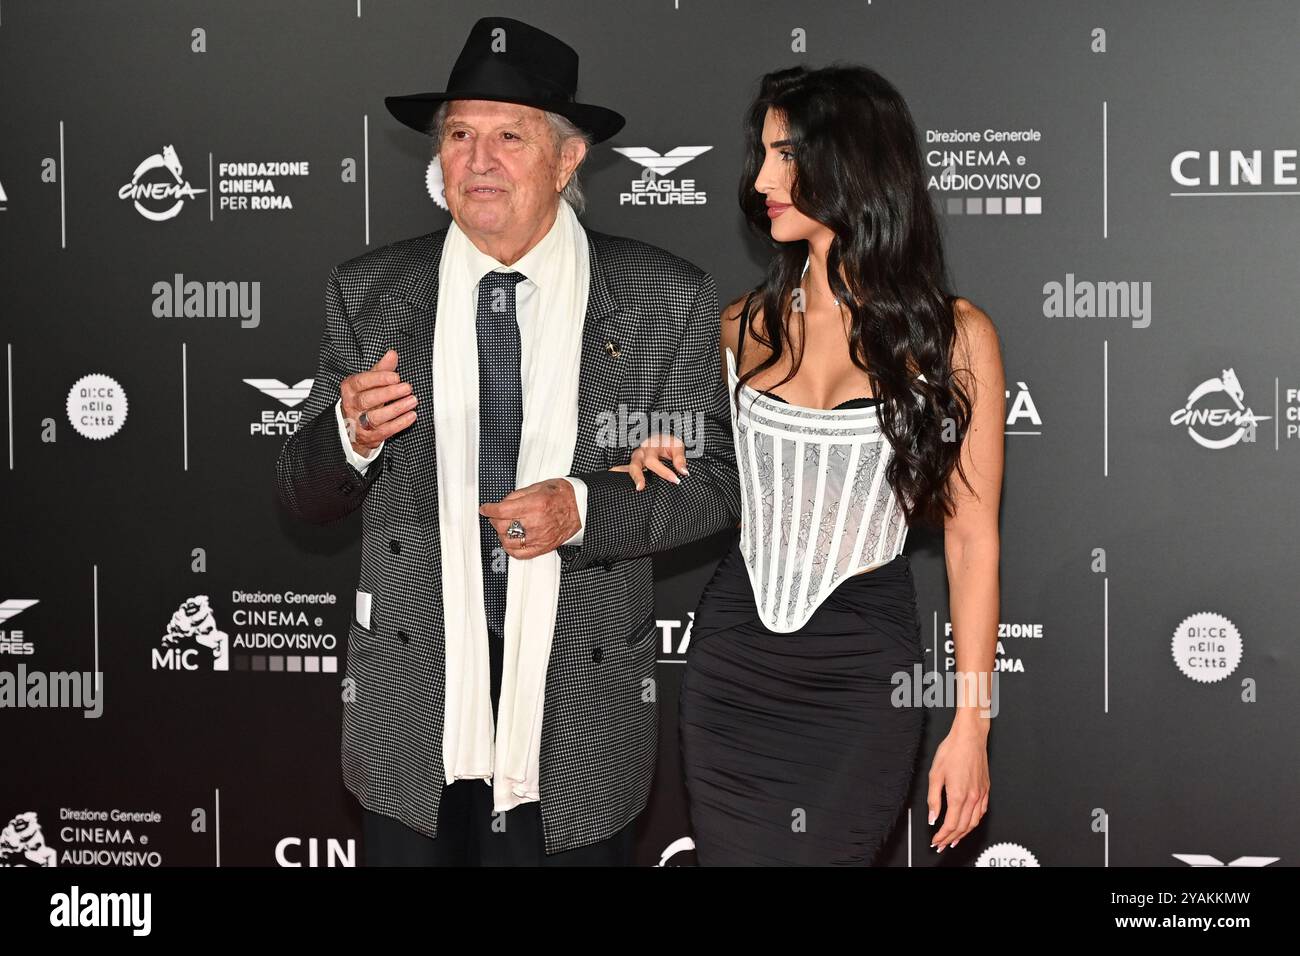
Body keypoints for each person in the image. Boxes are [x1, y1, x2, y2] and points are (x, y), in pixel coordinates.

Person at [275, 16, 740, 865]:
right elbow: (300, 494)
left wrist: (585, 507)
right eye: (459, 134)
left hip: (580, 705)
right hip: (413, 705)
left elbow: (712, 483)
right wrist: (348, 438)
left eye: (509, 136)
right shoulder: (371, 293)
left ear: (568, 160)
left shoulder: (661, 298)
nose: (478, 160)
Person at [619, 65, 1003, 865]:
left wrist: (972, 724)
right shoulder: (741, 327)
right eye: (761, 154)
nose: (762, 180)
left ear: (855, 164)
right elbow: (678, 450)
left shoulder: (955, 338)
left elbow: (970, 543)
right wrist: (657, 443)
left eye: (785, 155)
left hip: (863, 675)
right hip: (733, 665)